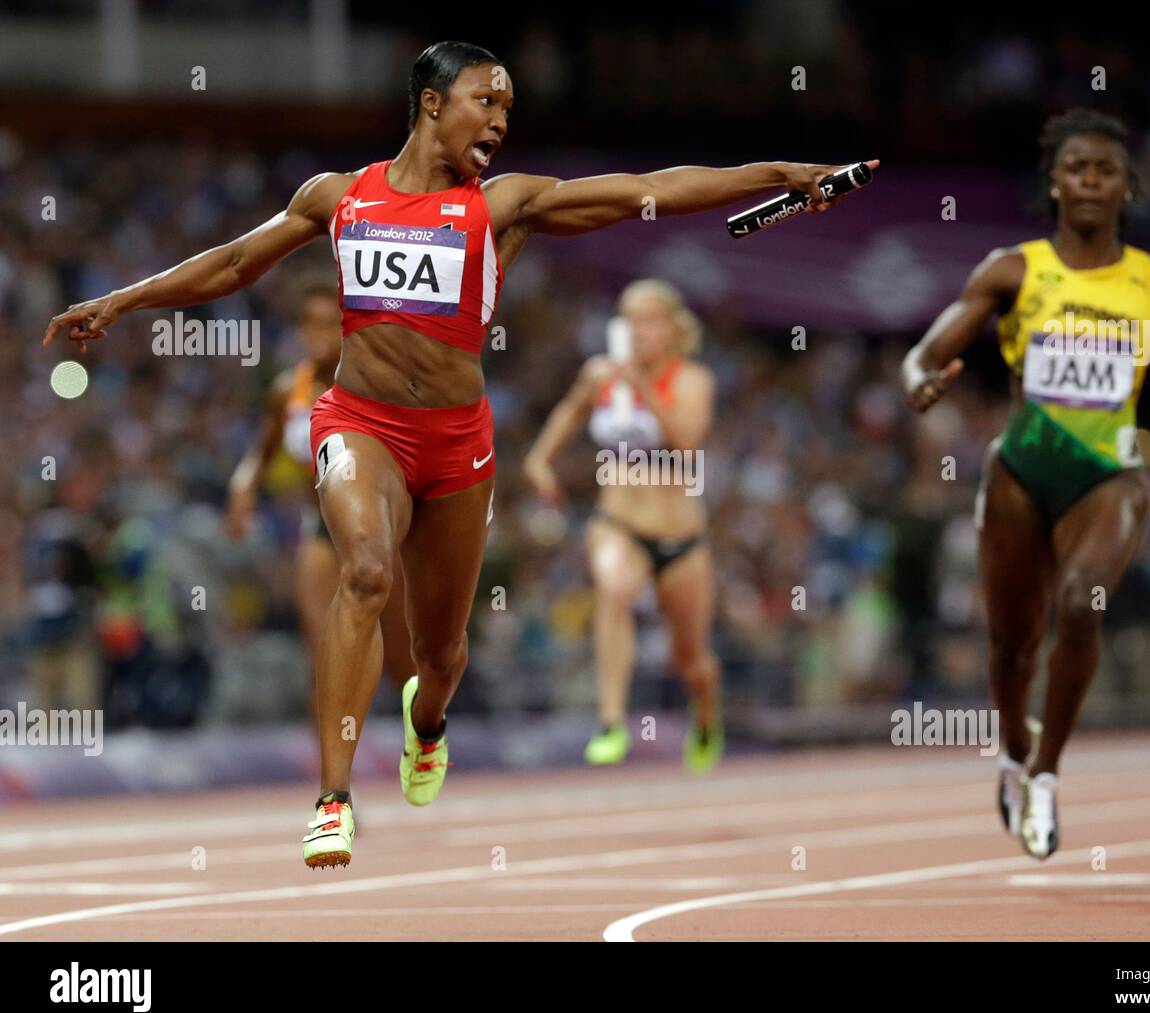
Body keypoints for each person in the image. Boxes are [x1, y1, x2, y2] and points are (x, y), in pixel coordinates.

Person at [45, 39, 877, 868]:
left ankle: (427, 723)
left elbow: (648, 193)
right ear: (433, 103)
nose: (500, 122)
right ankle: (333, 799)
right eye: (487, 101)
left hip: (456, 445)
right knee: (366, 572)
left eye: (509, 109)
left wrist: (779, 172)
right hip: (359, 424)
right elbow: (231, 262)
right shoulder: (338, 196)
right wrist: (122, 301)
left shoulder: (503, 206)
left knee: (440, 655)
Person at [900, 108, 1150, 860]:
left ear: (1127, 186)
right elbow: (926, 352)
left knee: (1079, 608)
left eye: (1104, 170)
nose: (1089, 180)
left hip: (1108, 475)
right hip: (1023, 468)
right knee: (1013, 643)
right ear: (1054, 183)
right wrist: (920, 380)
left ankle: (1048, 772)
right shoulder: (1013, 269)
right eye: (1075, 168)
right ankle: (1012, 752)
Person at [524, 279, 722, 771]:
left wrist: (640, 388)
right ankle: (612, 719)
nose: (638, 330)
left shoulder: (692, 380)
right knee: (613, 591)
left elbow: (686, 443)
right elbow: (569, 411)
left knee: (690, 659)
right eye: (629, 319)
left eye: (650, 319)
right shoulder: (601, 374)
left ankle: (706, 716)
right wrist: (539, 462)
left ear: (674, 328)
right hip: (618, 522)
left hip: (680, 536)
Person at [225, 279, 415, 706]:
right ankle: (333, 771)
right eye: (309, 323)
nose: (317, 334)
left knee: (402, 662)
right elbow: (262, 452)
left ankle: (423, 742)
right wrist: (243, 487)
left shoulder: (378, 386)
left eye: (330, 324)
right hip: (323, 531)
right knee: (324, 653)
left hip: (382, 532)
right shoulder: (288, 391)